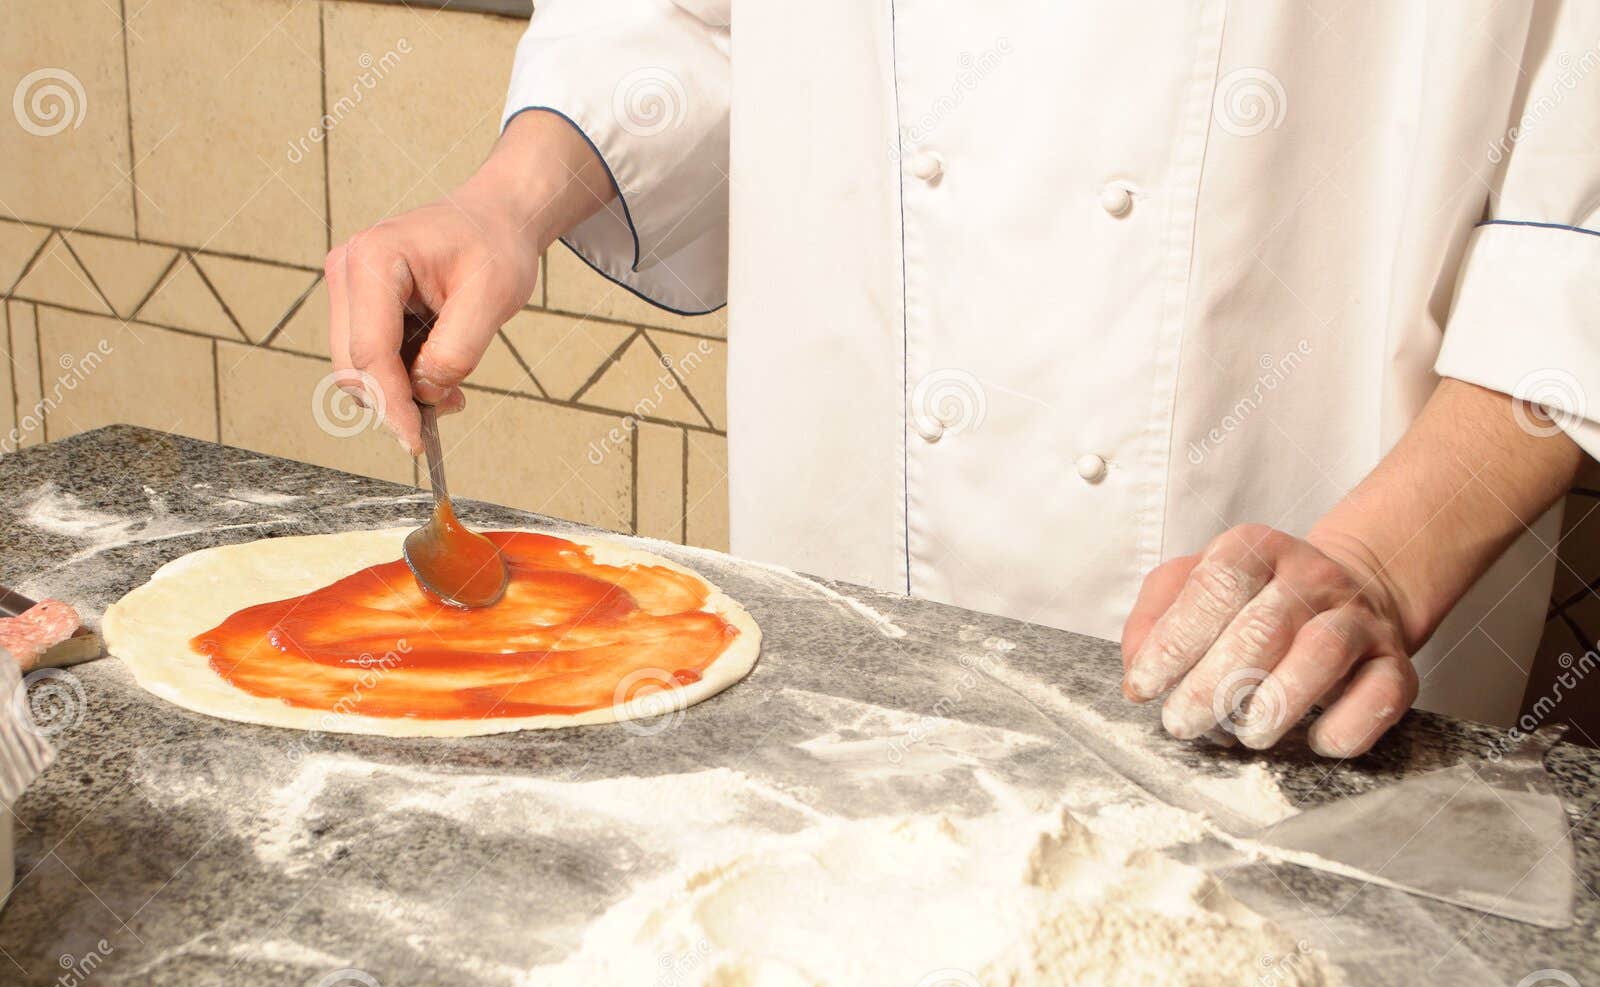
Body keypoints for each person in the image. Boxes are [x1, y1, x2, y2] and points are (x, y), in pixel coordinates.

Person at [324, 1, 1596, 756]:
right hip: (851, 579)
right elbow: (678, 18)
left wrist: (1374, 565)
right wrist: (506, 201)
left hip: (1293, 579)